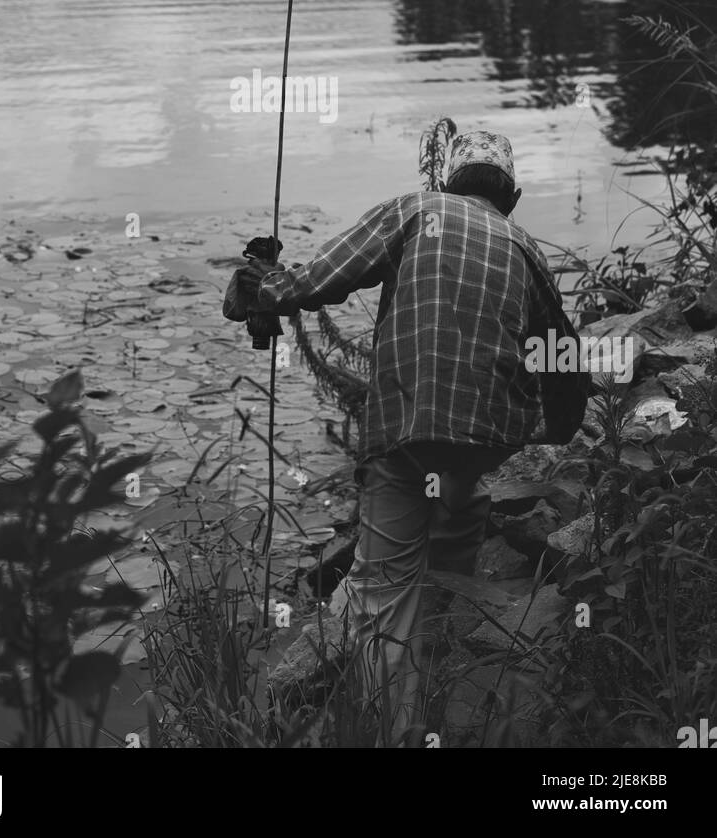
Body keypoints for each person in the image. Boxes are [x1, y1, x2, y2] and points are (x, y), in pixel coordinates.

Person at [224, 131, 587, 744]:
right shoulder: (527, 249)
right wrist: (557, 432)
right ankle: (450, 675)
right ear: (514, 196)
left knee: (382, 592)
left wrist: (262, 285)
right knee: (454, 526)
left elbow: (318, 282)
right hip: (488, 437)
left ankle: (400, 731)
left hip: (407, 433)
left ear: (444, 182)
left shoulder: (415, 208)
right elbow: (564, 361)